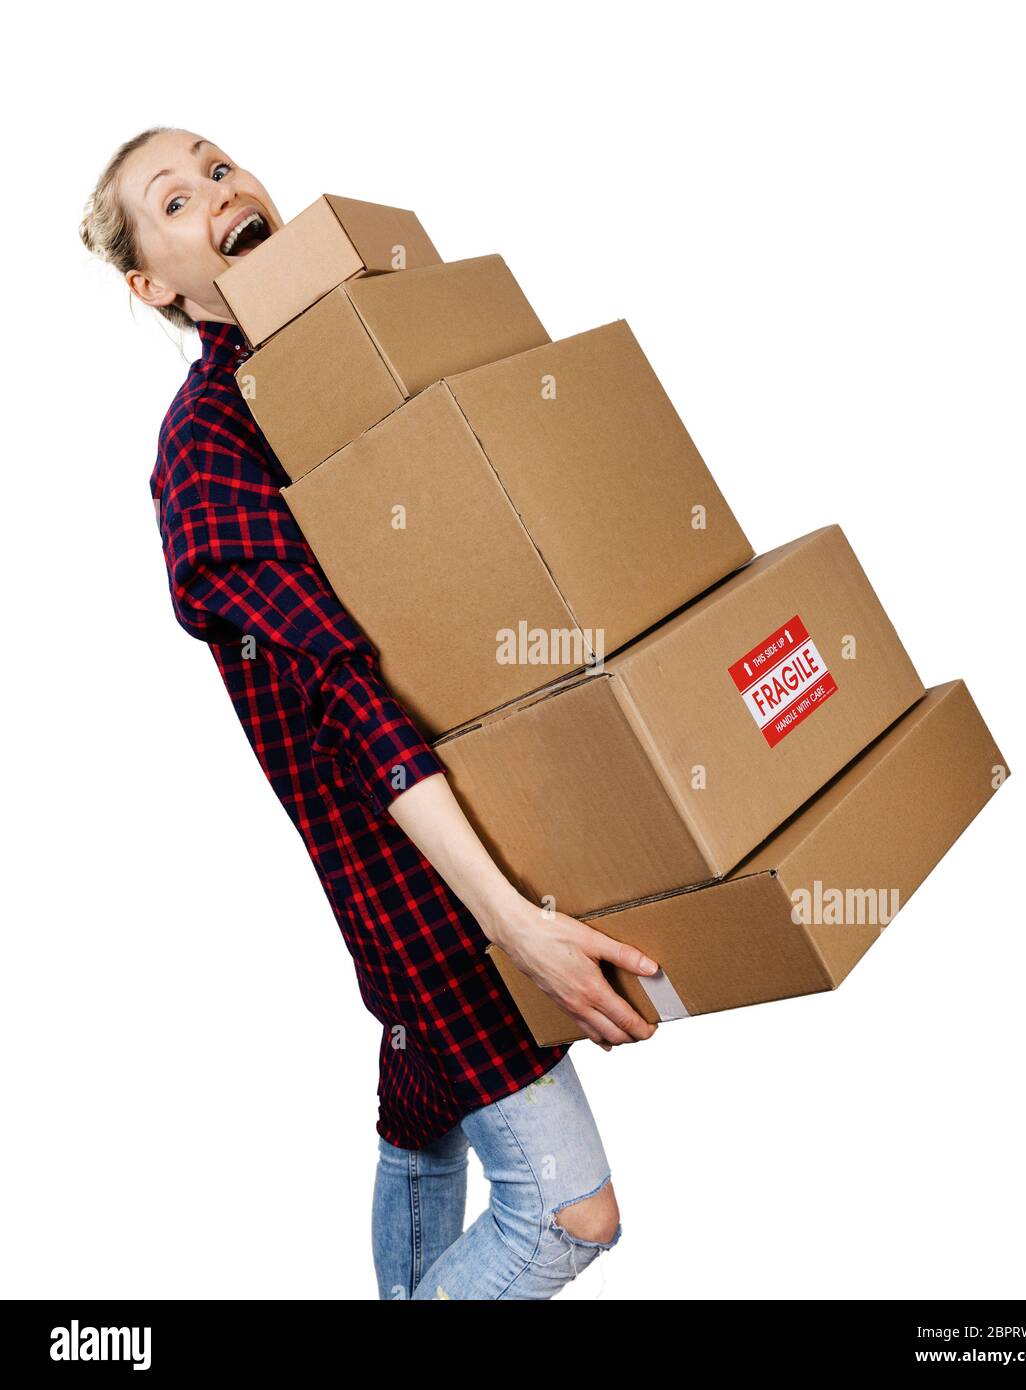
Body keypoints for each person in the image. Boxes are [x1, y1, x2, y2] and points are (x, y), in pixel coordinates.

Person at [79, 127, 660, 1299]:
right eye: (175, 200)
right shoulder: (207, 451)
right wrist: (517, 923)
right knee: (566, 1216)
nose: (221, 191)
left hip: (494, 833)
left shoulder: (369, 369)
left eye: (220, 164)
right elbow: (349, 695)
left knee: (419, 1126)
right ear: (153, 284)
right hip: (423, 901)